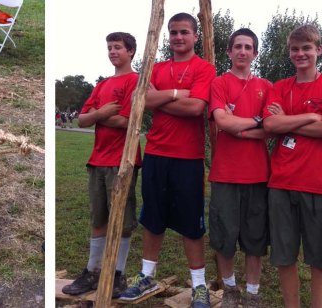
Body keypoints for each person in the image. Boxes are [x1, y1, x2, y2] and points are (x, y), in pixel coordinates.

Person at [118, 13, 216, 307]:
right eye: (173, 32)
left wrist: (161, 98)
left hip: (188, 157)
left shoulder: (205, 69)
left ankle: (199, 285)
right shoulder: (157, 68)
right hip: (157, 153)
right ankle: (147, 276)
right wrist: (176, 93)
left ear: (196, 36)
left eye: (184, 32)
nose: (178, 37)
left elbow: (196, 107)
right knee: (153, 217)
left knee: (191, 223)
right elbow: (142, 100)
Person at [262, 24, 322, 308]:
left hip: (321, 184)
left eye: (306, 48)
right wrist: (311, 115)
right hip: (282, 184)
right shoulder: (280, 87)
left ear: (318, 50)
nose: (301, 54)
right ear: (290, 53)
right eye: (295, 49)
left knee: (320, 260)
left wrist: (290, 119)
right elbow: (271, 124)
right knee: (284, 257)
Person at [61, 32, 141, 299]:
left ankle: (117, 274)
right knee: (98, 218)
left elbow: (129, 121)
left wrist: (99, 115)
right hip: (97, 159)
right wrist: (101, 113)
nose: (112, 52)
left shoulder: (136, 81)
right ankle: (93, 270)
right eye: (109, 47)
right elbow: (82, 120)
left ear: (131, 51)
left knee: (123, 219)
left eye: (118, 47)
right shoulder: (102, 84)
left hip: (123, 161)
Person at [207, 28, 272, 308]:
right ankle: (231, 290)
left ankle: (253, 293)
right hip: (224, 174)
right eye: (238, 47)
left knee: (255, 238)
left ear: (255, 53)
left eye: (248, 47)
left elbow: (270, 129)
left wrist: (241, 126)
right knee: (223, 236)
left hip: (258, 175)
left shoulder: (267, 87)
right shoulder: (219, 83)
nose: (243, 51)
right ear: (229, 52)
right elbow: (222, 121)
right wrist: (254, 121)